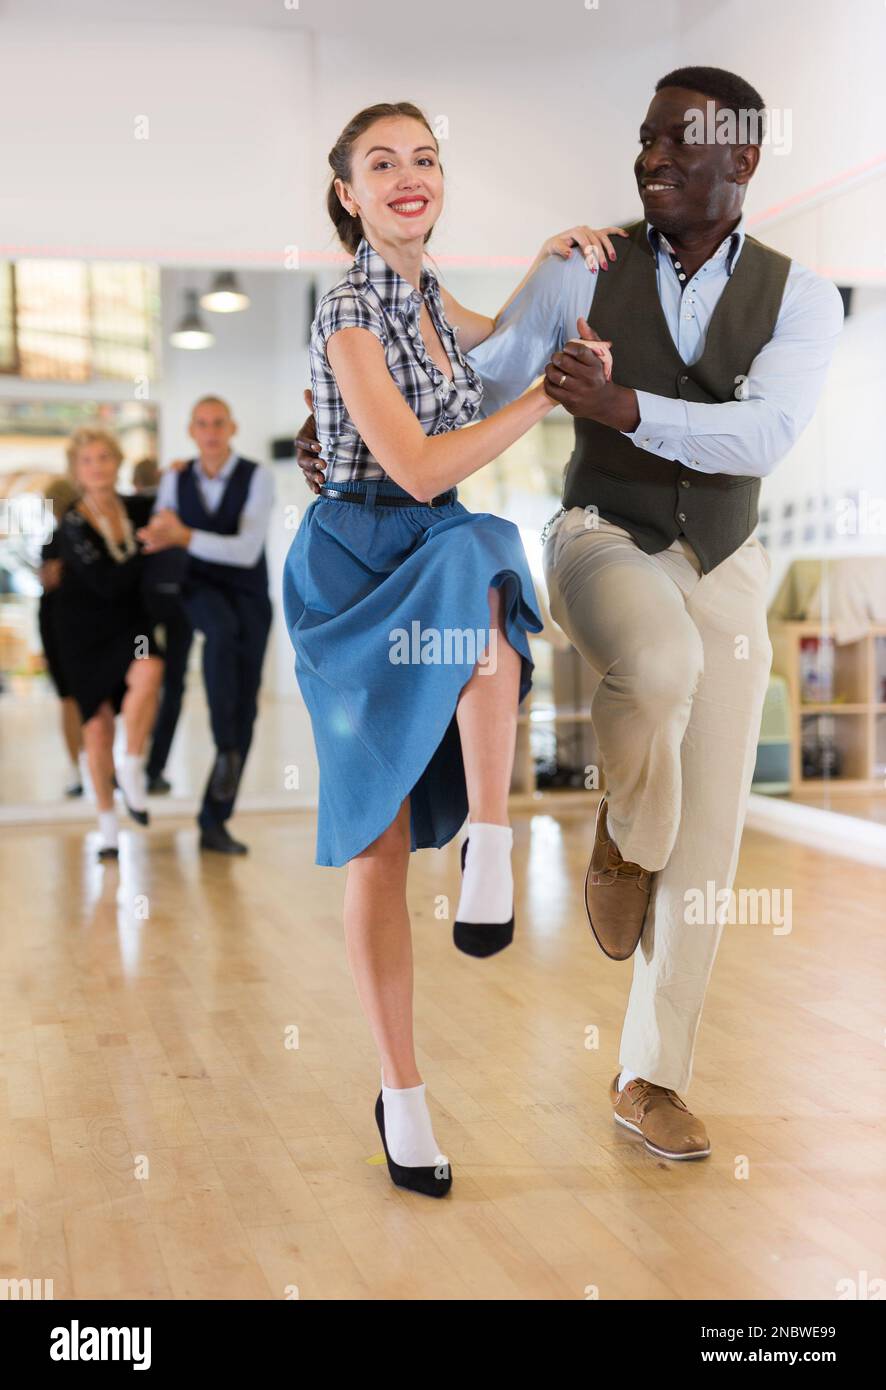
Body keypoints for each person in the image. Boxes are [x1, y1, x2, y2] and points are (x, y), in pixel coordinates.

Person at [299, 70, 844, 1168]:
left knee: (712, 838)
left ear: (742, 158)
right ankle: (597, 840)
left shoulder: (799, 296)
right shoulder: (582, 263)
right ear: (347, 192)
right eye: (643, 138)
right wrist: (338, 427)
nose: (649, 160)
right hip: (578, 532)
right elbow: (478, 379)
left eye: (677, 142)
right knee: (634, 654)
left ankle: (649, 1074)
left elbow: (757, 435)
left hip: (724, 549)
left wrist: (615, 401)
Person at [283, 100, 620, 1199]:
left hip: (432, 544)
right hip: (353, 568)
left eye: (423, 158)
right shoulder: (346, 309)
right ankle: (403, 1097)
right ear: (348, 192)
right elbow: (422, 465)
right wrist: (544, 400)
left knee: (485, 576)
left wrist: (548, 265)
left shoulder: (426, 293)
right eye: (381, 163)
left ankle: (489, 842)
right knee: (376, 844)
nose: (407, 176)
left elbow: (502, 340)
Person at [137, 398, 274, 854]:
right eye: (202, 424)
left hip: (251, 595)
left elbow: (246, 551)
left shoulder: (258, 476)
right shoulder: (176, 477)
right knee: (219, 635)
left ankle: (215, 819)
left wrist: (186, 535)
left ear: (231, 427)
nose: (211, 432)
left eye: (218, 423)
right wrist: (166, 532)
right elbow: (160, 530)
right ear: (190, 430)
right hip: (200, 591)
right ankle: (225, 744)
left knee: (247, 706)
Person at [55, 428, 165, 858]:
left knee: (151, 666)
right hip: (82, 632)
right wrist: (147, 549)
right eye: (87, 460)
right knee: (97, 726)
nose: (97, 466)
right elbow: (104, 583)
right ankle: (106, 826)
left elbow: (174, 507)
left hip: (132, 627)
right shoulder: (73, 522)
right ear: (76, 469)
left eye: (104, 458)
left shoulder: (137, 506)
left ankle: (132, 766)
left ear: (117, 463)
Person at [37, 475, 83, 796]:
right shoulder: (61, 538)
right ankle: (83, 770)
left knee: (71, 701)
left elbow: (50, 581)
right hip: (63, 623)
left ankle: (80, 771)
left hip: (66, 624)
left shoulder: (64, 537)